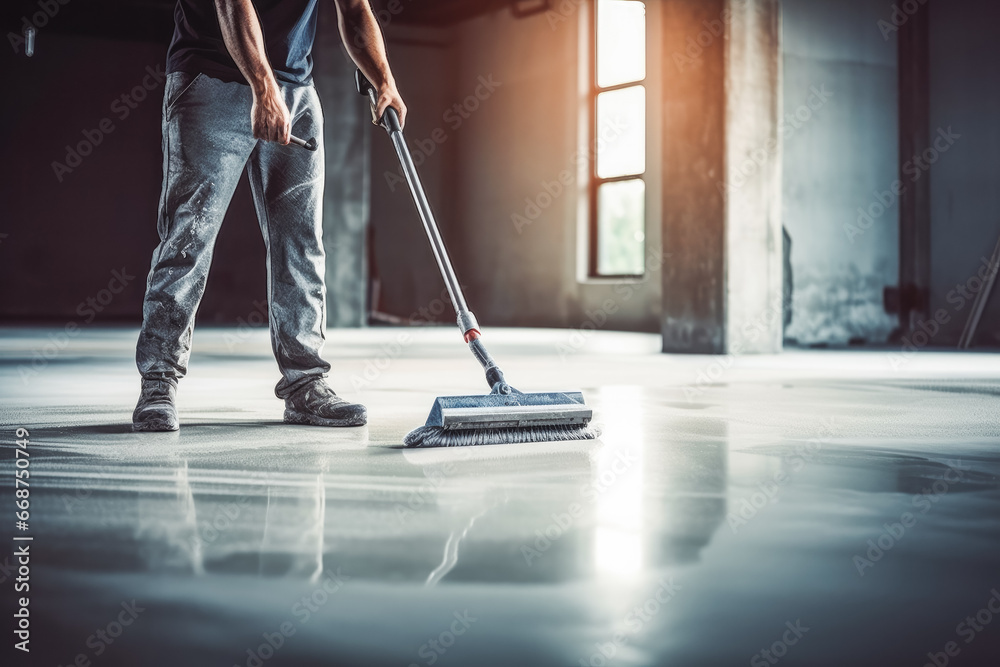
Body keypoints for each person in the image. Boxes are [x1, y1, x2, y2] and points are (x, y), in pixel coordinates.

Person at [132, 0, 405, 431]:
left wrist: (384, 81)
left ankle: (306, 386)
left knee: (302, 242)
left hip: (295, 88)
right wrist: (263, 87)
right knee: (189, 238)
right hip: (210, 78)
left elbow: (355, 10)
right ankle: (159, 381)